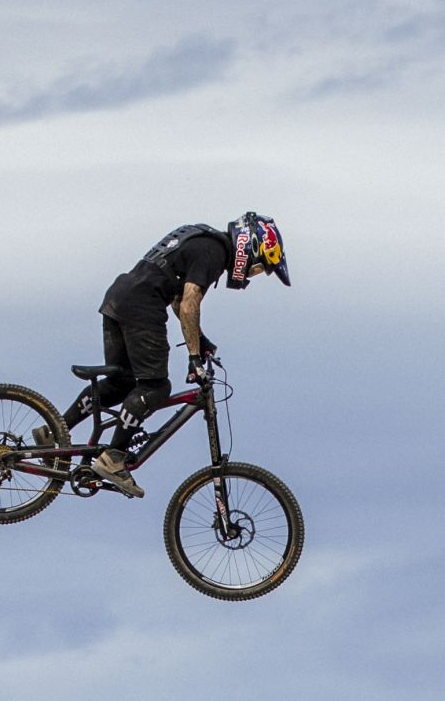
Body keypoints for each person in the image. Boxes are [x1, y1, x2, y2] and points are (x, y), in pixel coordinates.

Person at [78, 212, 289, 495]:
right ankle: (113, 458)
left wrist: (199, 341)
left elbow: (178, 301)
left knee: (122, 383)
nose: (255, 273)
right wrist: (194, 359)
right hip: (141, 307)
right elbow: (190, 304)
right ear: (249, 247)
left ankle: (55, 430)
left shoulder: (203, 240)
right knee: (155, 387)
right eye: (261, 266)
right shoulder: (214, 252)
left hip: (119, 297)